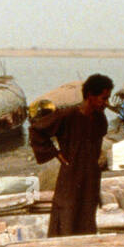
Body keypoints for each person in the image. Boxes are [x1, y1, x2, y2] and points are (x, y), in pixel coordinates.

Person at [29, 73, 112, 238]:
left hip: (90, 177)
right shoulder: (67, 116)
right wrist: (56, 153)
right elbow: (36, 130)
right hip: (71, 174)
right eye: (103, 98)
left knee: (87, 216)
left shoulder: (100, 119)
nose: (106, 103)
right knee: (67, 213)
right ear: (90, 96)